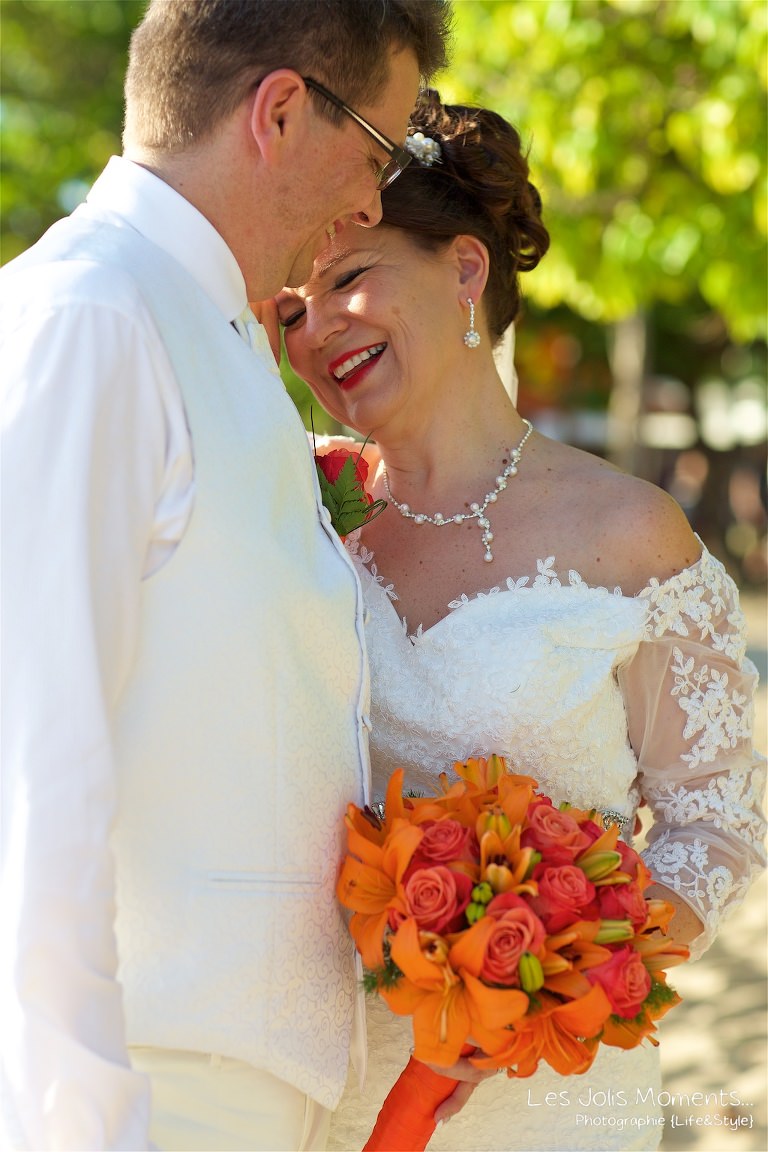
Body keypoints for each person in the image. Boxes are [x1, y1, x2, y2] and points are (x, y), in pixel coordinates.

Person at [277, 90, 767, 1151]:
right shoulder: (299, 528)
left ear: (464, 270)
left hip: (545, 1091)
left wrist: (541, 986)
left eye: (348, 281)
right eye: (290, 312)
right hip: (312, 1077)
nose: (315, 334)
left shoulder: (629, 532)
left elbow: (716, 823)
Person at [0, 3, 452, 1150]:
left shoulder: (222, 336)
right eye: (380, 148)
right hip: (150, 1091)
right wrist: (82, 1123)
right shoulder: (96, 316)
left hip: (246, 1090)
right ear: (283, 112)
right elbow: (33, 760)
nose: (373, 199)